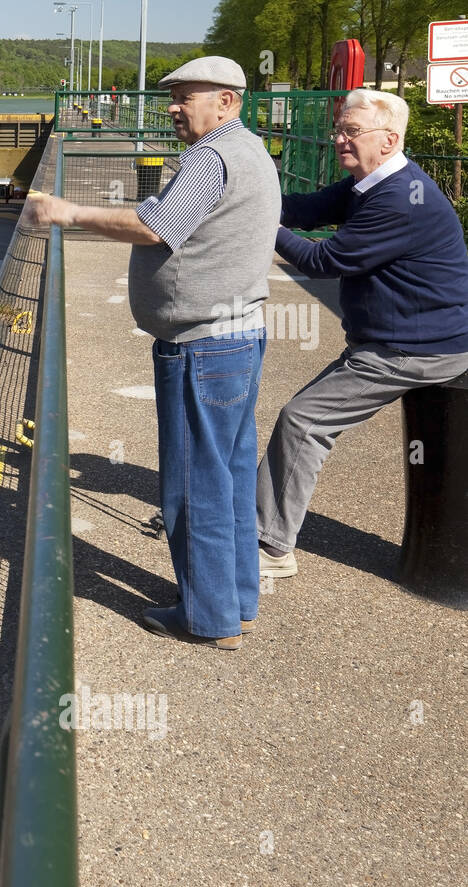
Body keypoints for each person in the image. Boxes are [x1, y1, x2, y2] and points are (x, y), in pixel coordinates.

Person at [29, 56, 281, 649]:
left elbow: (155, 226)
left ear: (227, 101)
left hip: (201, 347)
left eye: (185, 96)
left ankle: (207, 617)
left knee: (195, 487)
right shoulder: (250, 151)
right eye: (172, 96)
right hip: (237, 338)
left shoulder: (212, 155)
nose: (172, 106)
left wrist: (69, 213)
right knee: (229, 477)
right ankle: (237, 603)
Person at [258, 89, 468, 578]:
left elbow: (322, 260)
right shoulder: (369, 184)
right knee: (304, 418)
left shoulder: (400, 199)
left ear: (389, 140)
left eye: (351, 132)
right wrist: (255, 196)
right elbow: (305, 209)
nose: (338, 140)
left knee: (303, 421)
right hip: (405, 341)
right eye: (339, 130)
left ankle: (270, 546)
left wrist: (256, 221)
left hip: (415, 350)